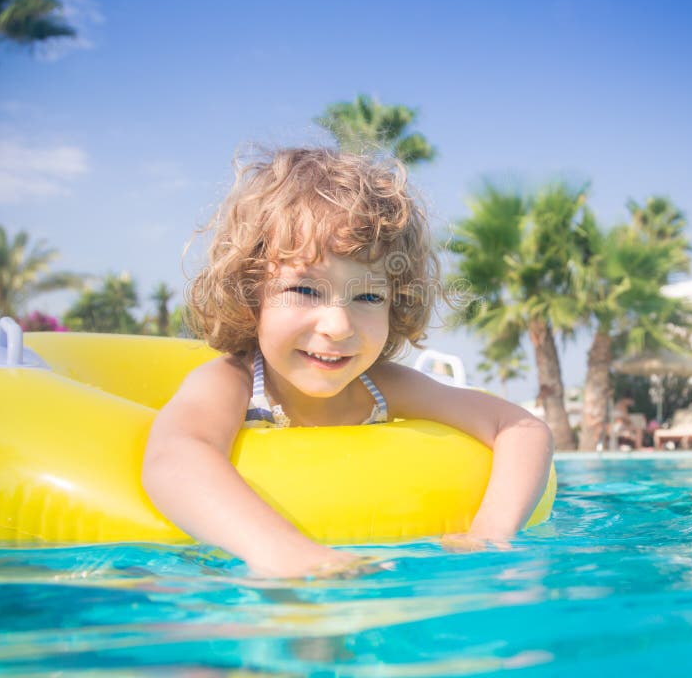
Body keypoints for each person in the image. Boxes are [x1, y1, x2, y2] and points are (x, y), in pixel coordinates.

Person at [142, 146, 554, 578]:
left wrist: (490, 534)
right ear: (250, 292)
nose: (338, 325)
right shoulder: (232, 381)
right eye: (304, 290)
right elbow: (176, 456)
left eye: (368, 297)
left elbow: (521, 429)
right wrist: (283, 551)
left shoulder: (382, 387)